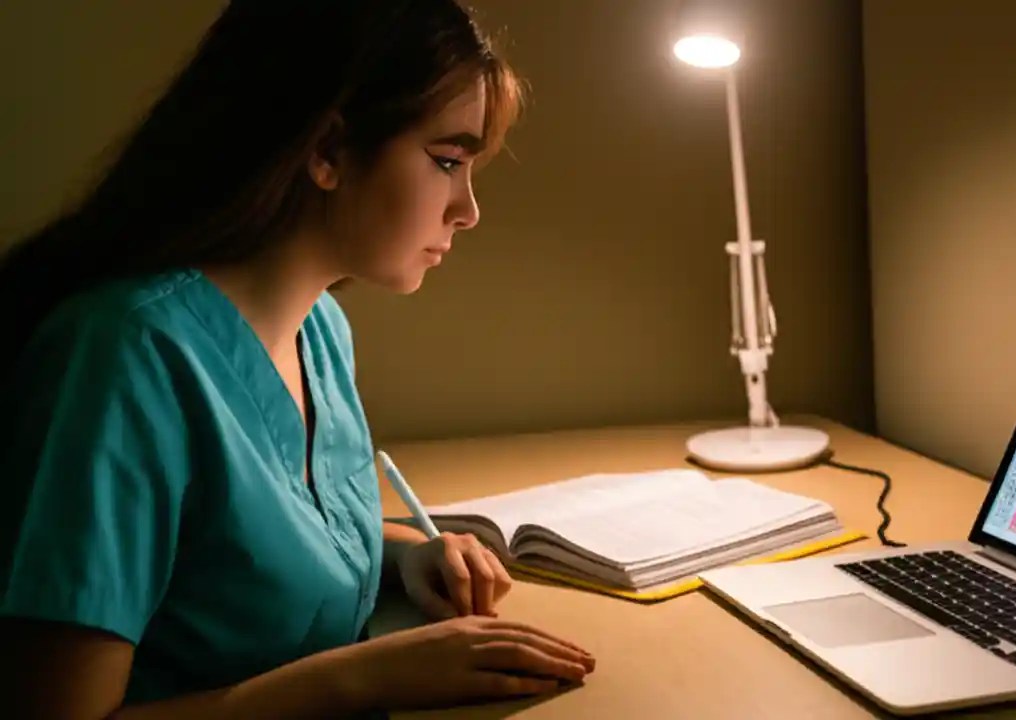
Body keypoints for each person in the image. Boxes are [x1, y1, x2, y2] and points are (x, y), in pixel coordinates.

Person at [0, 1, 595, 718]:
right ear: (328, 150)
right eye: (447, 161)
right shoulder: (123, 358)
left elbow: (242, 553)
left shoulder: (320, 329)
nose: (467, 209)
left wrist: (404, 556)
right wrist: (365, 678)